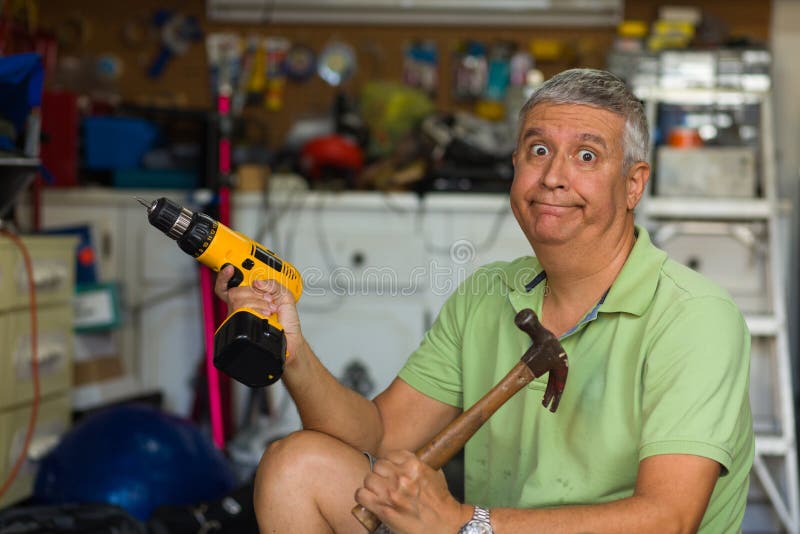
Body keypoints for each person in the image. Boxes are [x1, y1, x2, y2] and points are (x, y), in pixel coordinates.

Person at [215, 68, 754, 533]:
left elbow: (668, 519)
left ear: (633, 184)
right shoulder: (490, 294)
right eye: (539, 150)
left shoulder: (693, 316)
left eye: (586, 156)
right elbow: (379, 436)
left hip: (488, 528)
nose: (554, 177)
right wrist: (294, 354)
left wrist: (466, 522)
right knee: (295, 465)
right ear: (516, 165)